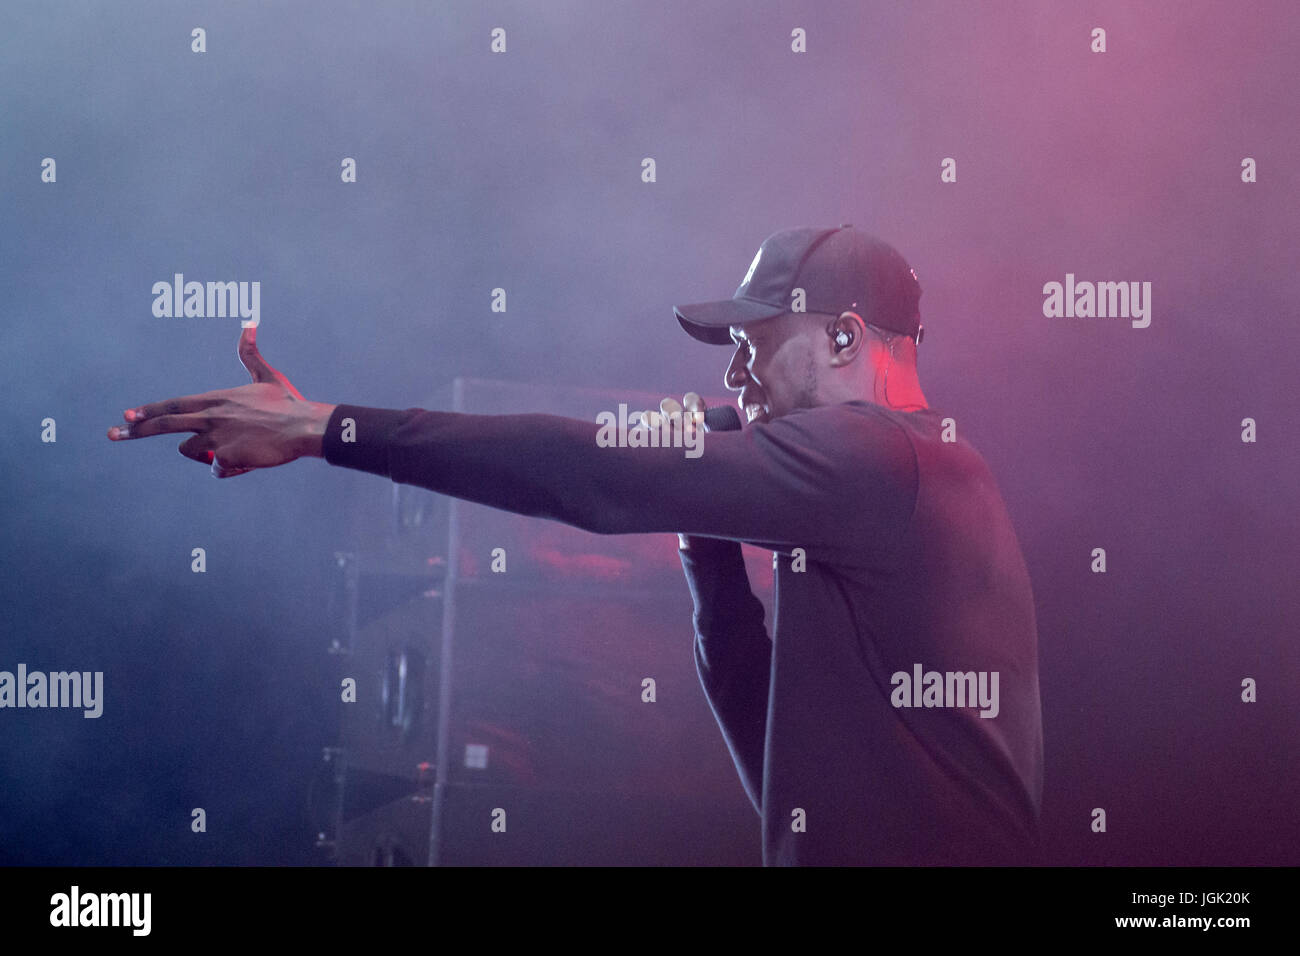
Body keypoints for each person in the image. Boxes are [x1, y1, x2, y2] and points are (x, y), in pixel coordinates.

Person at [108, 225, 1043, 865]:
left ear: (842, 337)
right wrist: (703, 525)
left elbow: (587, 472)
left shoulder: (879, 457)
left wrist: (323, 427)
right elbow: (781, 779)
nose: (733, 372)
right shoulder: (898, 479)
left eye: (756, 341)